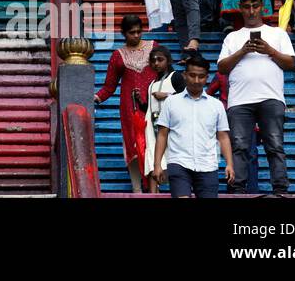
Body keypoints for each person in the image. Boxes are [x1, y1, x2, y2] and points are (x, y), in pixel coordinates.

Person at [217, 0, 294, 194]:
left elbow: (290, 63)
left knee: (275, 145)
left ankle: (280, 190)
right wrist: (243, 51)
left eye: (255, 6)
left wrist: (269, 50)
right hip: (240, 101)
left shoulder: (277, 34)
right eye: (246, 7)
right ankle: (238, 189)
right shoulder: (232, 38)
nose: (251, 11)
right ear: (240, 8)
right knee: (240, 147)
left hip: (271, 97)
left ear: (262, 6)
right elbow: (222, 68)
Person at [153, 55, 234, 198]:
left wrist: (229, 164)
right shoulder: (171, 102)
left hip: (208, 164)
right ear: (185, 75)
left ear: (207, 77)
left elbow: (223, 136)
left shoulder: (216, 105)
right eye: (192, 75)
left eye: (201, 76)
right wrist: (157, 164)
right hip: (178, 162)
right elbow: (162, 134)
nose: (196, 81)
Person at [94, 15, 158, 192]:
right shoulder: (118, 55)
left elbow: (165, 72)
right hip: (130, 109)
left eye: (139, 31)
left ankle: (155, 190)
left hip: (153, 106)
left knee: (153, 145)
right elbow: (109, 87)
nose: (136, 36)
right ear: (123, 33)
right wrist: (94, 98)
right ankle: (137, 190)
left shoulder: (153, 47)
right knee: (133, 146)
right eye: (132, 33)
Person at [143, 45, 184, 191]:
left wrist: (166, 95)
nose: (156, 63)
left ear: (168, 60)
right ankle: (153, 194)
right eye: (153, 60)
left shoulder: (176, 77)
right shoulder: (151, 84)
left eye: (160, 60)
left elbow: (187, 98)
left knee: (174, 161)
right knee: (153, 159)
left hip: (173, 127)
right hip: (153, 128)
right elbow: (148, 107)